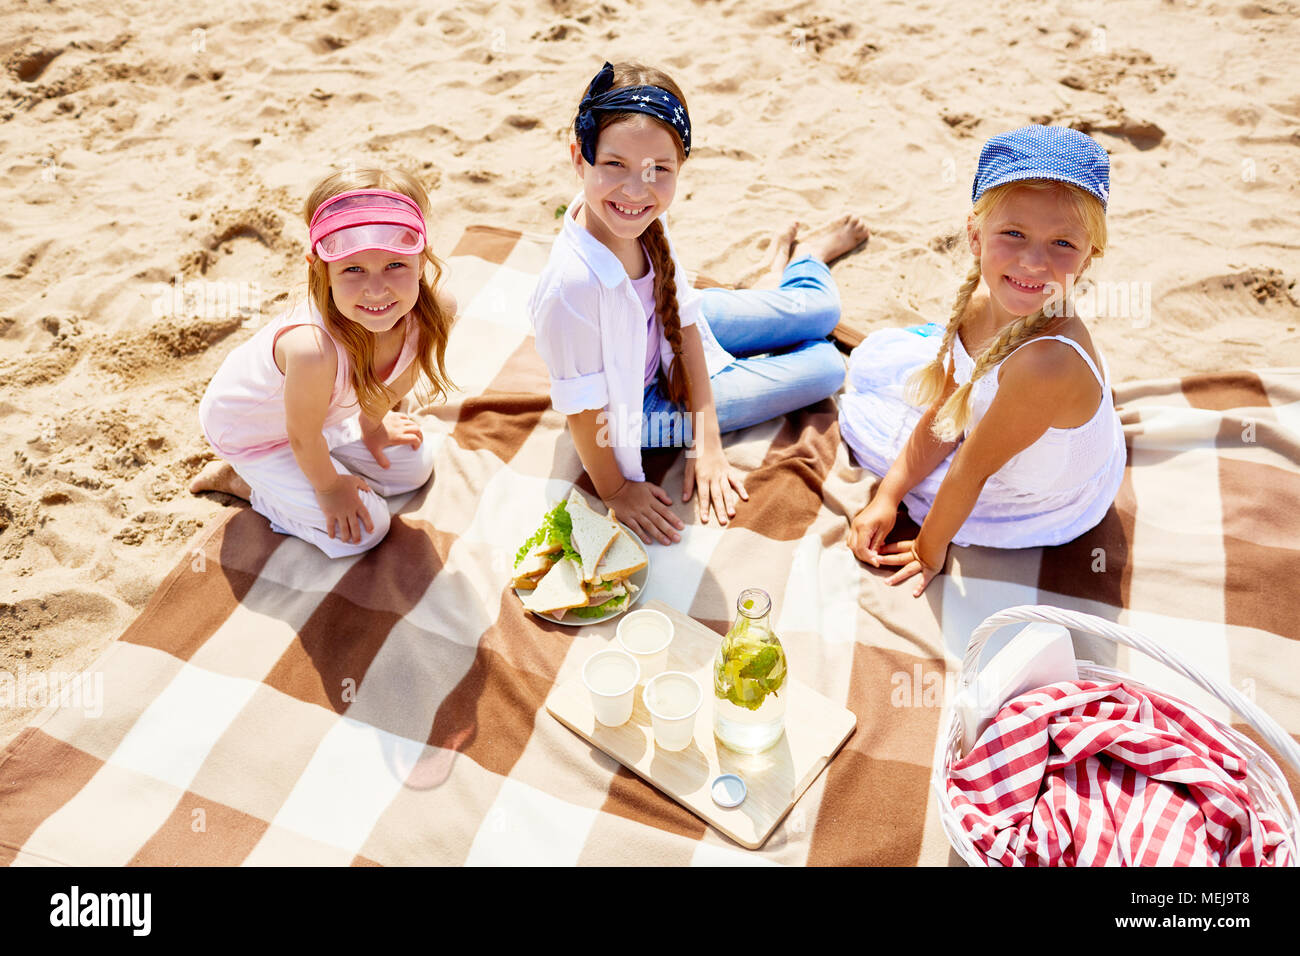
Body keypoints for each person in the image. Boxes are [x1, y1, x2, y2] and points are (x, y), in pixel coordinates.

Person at [530, 60, 869, 546]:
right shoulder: (572, 289)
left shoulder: (645, 220)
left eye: (657, 170)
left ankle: (805, 259)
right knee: (827, 367)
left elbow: (685, 321)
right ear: (578, 156)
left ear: (679, 167)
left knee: (822, 313)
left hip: (671, 329)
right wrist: (619, 490)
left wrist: (707, 439)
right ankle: (779, 283)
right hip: (640, 408)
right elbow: (584, 414)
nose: (634, 190)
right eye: (614, 164)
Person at [842, 125, 1125, 596]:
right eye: (1013, 233)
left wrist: (927, 550)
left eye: (1063, 243)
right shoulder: (980, 302)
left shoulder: (1047, 363)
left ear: (1088, 257)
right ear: (975, 235)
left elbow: (970, 469)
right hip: (1001, 429)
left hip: (1043, 494)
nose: (1033, 262)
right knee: (878, 387)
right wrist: (887, 495)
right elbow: (945, 412)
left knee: (871, 419)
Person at [190, 168, 456, 557]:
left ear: (421, 257)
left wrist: (373, 426)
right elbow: (301, 436)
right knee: (364, 529)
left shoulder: (434, 311)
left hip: (320, 419)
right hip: (256, 436)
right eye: (353, 269)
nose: (377, 288)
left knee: (414, 466)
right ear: (321, 269)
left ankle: (319, 466)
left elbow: (396, 382)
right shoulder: (312, 349)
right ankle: (241, 481)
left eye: (395, 265)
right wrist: (330, 488)